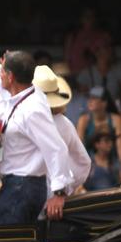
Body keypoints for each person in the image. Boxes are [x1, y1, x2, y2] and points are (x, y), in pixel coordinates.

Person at [0, 11, 74, 224]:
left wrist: (59, 194)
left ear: (11, 77)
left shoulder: (32, 110)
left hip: (24, 187)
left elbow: (56, 148)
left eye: (3, 71)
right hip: (16, 184)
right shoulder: (14, 91)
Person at [37, 67, 92, 195]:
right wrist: (67, 188)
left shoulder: (21, 119)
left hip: (30, 192)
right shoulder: (64, 123)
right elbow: (83, 162)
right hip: (54, 194)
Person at [76, 85, 121, 169]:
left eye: (94, 98)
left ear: (104, 103)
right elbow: (78, 146)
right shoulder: (84, 120)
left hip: (112, 163)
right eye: (89, 98)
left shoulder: (115, 119)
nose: (90, 101)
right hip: (89, 163)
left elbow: (120, 147)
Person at [62, 3, 112, 76]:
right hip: (76, 75)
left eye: (92, 16)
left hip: (97, 76)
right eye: (86, 16)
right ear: (81, 18)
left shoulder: (103, 36)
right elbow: (66, 60)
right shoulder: (73, 36)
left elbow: (110, 57)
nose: (89, 19)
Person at [76, 42, 121, 110]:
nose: (110, 51)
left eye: (110, 48)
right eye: (106, 48)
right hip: (93, 111)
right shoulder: (86, 73)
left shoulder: (118, 71)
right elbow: (82, 96)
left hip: (115, 109)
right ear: (97, 52)